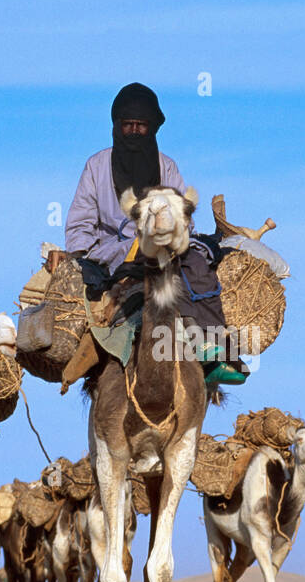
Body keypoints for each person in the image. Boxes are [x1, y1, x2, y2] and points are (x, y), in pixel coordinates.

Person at [62, 82, 246, 387]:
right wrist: (86, 260)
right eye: (128, 125)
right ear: (117, 126)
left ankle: (217, 353)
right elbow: (79, 226)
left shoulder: (167, 167)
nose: (134, 131)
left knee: (198, 268)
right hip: (111, 255)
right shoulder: (96, 167)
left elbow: (182, 216)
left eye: (141, 126)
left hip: (162, 250)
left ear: (153, 128)